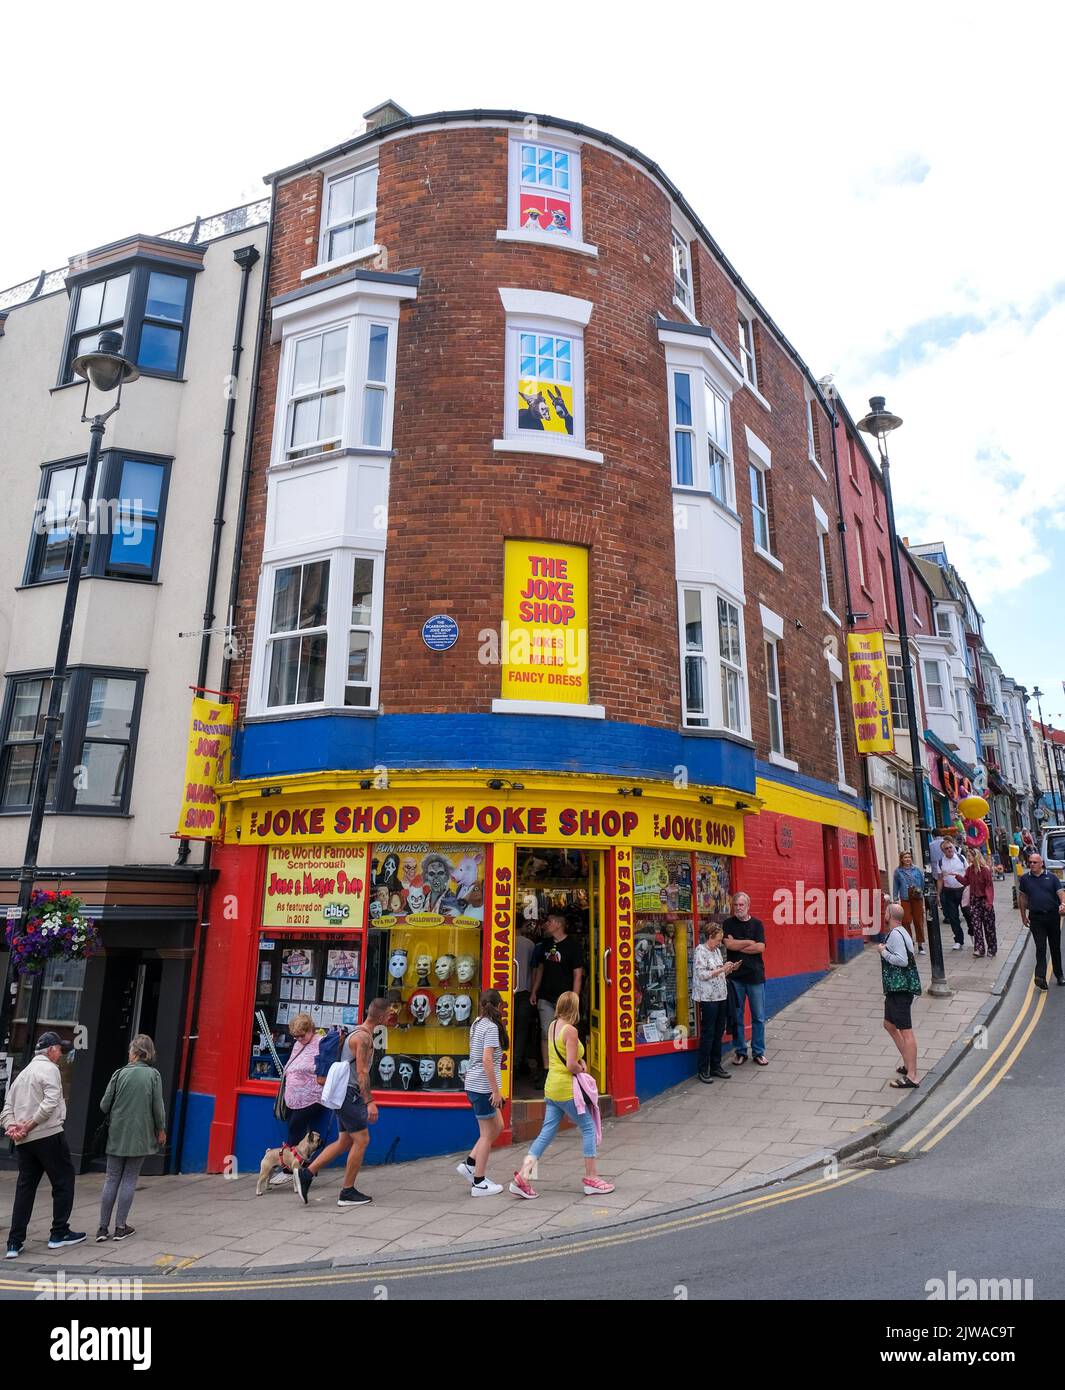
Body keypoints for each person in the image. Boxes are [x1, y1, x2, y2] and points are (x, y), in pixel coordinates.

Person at [509, 991, 614, 1199]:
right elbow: (571, 1065)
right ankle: (592, 1178)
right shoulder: (571, 1031)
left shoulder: (553, 1025)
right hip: (567, 1089)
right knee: (588, 1128)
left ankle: (523, 1176)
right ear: (574, 1008)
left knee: (546, 1134)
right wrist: (583, 1067)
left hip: (552, 1088)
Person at [295, 997, 397, 1207]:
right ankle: (347, 1192)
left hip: (342, 1094)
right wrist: (369, 1101)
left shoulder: (356, 1031)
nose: (391, 1017)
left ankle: (306, 1174)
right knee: (362, 1140)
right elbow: (361, 1072)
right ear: (380, 1016)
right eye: (389, 1014)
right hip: (350, 1095)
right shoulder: (364, 1038)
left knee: (345, 1140)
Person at [2, 1031, 85, 1257]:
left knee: (25, 1189)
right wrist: (29, 1125)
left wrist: (12, 1127)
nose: (60, 1054)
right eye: (59, 1049)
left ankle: (14, 1243)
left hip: (25, 1143)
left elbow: (6, 1109)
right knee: (64, 1180)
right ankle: (59, 1233)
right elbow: (50, 1103)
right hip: (48, 1135)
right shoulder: (50, 1069)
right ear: (50, 1050)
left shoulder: (22, 1074)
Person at [95, 1034, 166, 1243]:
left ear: (135, 1053)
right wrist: (161, 1130)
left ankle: (101, 1228)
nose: (128, 1053)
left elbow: (104, 1105)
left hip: (117, 1133)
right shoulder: (153, 1075)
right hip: (140, 1136)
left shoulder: (119, 1074)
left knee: (111, 1178)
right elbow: (158, 1108)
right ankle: (120, 1227)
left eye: (130, 1050)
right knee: (129, 1179)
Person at [456, 989, 508, 1196]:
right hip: (483, 1087)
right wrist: (496, 1092)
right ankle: (478, 1182)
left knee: (499, 1126)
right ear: (499, 1006)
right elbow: (487, 1061)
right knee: (487, 1135)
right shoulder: (491, 1028)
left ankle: (469, 1164)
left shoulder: (477, 1023)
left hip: (474, 1084)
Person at [269, 1013, 324, 1186]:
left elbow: (322, 1067)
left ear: (311, 1029)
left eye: (302, 1035)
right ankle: (302, 1167)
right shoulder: (298, 1044)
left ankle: (289, 1170)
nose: (299, 1039)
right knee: (298, 1131)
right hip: (294, 1098)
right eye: (296, 1036)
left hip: (311, 1097)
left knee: (295, 1128)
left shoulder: (320, 1042)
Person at [529, 912, 584, 1083]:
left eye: (550, 922)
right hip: (545, 996)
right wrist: (534, 991)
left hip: (565, 999)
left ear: (559, 924)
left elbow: (578, 974)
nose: (546, 924)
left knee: (565, 1034)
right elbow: (540, 969)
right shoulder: (545, 944)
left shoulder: (573, 946)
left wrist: (574, 998)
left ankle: (567, 1067)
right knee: (547, 1033)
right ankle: (547, 1069)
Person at [878, 904, 921, 1089]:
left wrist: (883, 952)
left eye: (886, 911)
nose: (884, 913)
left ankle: (912, 1076)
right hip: (895, 989)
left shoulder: (896, 934)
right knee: (888, 1025)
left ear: (890, 915)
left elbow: (902, 961)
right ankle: (907, 1063)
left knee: (906, 1031)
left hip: (900, 988)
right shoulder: (902, 931)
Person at [723, 892, 768, 1066]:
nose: (738, 908)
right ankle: (740, 1051)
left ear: (748, 906)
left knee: (758, 1017)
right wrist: (750, 942)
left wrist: (739, 945)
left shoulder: (757, 924)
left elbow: (761, 948)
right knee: (737, 1016)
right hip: (736, 978)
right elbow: (729, 945)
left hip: (755, 976)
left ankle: (758, 1052)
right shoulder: (728, 923)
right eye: (736, 905)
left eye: (741, 905)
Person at [692, 923, 736, 1082]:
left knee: (719, 1032)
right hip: (708, 997)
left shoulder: (716, 951)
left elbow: (719, 970)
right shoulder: (700, 951)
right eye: (717, 940)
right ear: (709, 937)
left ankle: (716, 1065)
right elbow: (702, 974)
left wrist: (729, 968)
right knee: (708, 1033)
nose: (719, 943)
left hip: (721, 995)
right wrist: (721, 969)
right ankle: (703, 1069)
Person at [1018, 852, 1065, 990]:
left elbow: (1061, 892)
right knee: (1040, 947)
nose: (1031, 864)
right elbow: (1022, 898)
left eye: (1034, 862)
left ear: (1041, 863)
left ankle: (1059, 975)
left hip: (1052, 917)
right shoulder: (1025, 879)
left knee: (1055, 947)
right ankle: (1040, 977)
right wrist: (1023, 916)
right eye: (1030, 862)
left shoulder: (1052, 877)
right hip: (1036, 918)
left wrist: (1063, 903)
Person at [512, 923, 536, 1079]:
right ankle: (516, 1061)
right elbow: (535, 968)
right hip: (525, 990)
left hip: (507, 990)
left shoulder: (506, 941)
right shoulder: (530, 944)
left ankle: (505, 1062)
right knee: (521, 1028)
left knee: (506, 1026)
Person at [963, 851, 997, 959]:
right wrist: (956, 877)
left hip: (985, 900)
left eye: (969, 855)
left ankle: (992, 949)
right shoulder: (969, 869)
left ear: (975, 856)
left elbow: (989, 886)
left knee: (989, 927)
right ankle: (979, 949)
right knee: (976, 925)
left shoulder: (985, 870)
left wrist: (989, 902)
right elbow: (966, 881)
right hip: (974, 901)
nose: (967, 857)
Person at [892, 850, 926, 955]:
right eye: (905, 857)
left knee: (918, 921)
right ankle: (909, 942)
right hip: (905, 897)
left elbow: (922, 883)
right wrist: (895, 898)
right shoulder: (898, 871)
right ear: (901, 859)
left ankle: (920, 944)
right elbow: (895, 885)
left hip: (916, 897)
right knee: (906, 920)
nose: (907, 859)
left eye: (909, 857)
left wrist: (921, 893)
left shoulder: (917, 870)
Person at [937, 840, 967, 949]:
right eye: (946, 848)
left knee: (968, 914)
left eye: (950, 847)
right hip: (949, 892)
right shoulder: (940, 862)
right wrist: (938, 894)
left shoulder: (961, 858)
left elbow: (968, 873)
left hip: (962, 890)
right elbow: (940, 879)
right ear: (943, 851)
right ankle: (958, 940)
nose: (949, 850)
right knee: (953, 918)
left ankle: (973, 934)